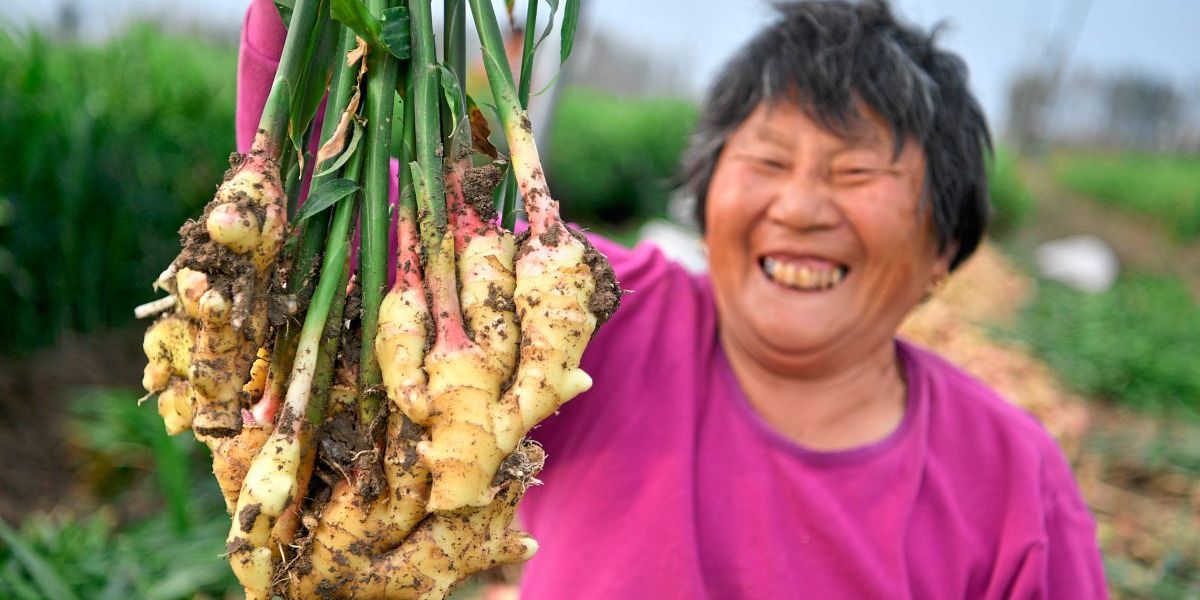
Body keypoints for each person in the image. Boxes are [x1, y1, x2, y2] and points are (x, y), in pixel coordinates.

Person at [237, 1, 1107, 597]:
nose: (800, 208)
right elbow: (323, 202)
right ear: (708, 196)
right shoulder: (600, 316)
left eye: (856, 174)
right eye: (767, 161)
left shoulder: (1014, 482)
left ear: (945, 251)